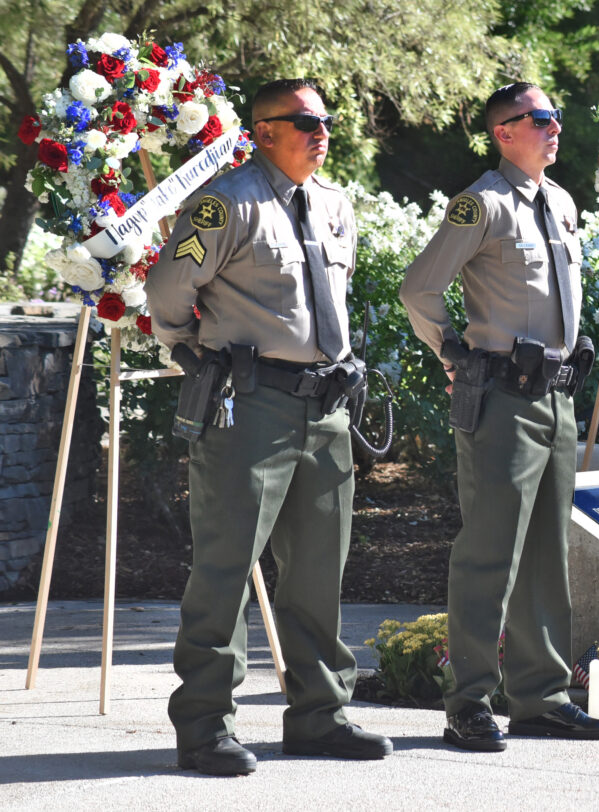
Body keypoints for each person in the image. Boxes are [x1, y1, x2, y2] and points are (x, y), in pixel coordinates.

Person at [145, 78, 391, 775]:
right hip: (249, 406)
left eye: (327, 121)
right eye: (305, 121)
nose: (321, 133)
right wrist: (193, 353)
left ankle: (319, 716)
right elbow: (168, 293)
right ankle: (204, 728)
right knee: (226, 568)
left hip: (327, 409)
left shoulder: (335, 203)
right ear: (263, 131)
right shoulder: (227, 203)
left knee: (318, 572)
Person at [399, 82, 599, 752]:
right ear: (505, 132)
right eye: (540, 119)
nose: (555, 128)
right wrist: (453, 352)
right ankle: (468, 703)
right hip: (502, 400)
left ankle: (541, 698)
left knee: (549, 554)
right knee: (490, 555)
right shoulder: (482, 204)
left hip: (557, 398)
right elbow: (419, 288)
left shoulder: (561, 201)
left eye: (555, 118)